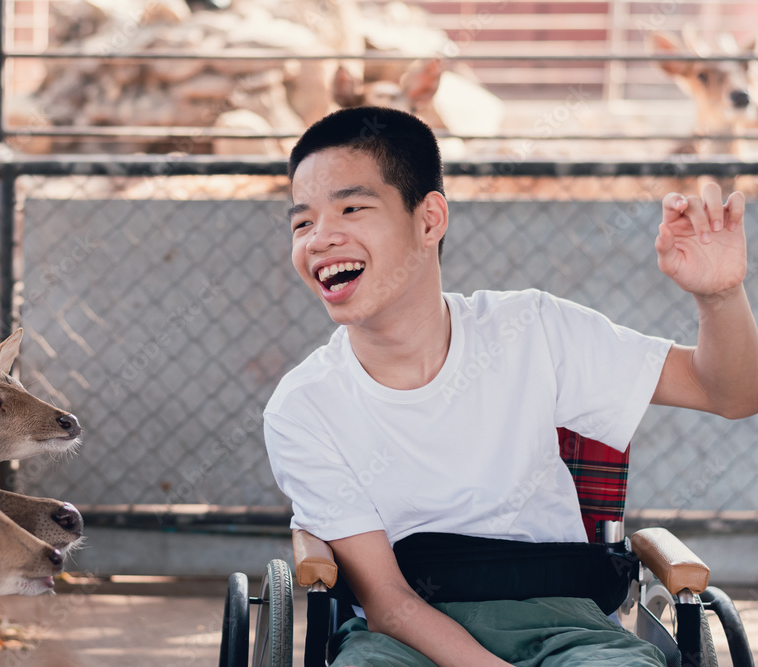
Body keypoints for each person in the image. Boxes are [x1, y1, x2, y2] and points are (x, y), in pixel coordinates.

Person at [263, 106, 758, 667]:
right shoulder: (304, 408)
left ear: (429, 220)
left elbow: (730, 393)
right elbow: (388, 602)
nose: (320, 239)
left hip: (566, 624)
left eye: (351, 208)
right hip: (401, 638)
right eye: (302, 223)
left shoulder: (532, 331)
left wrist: (718, 297)